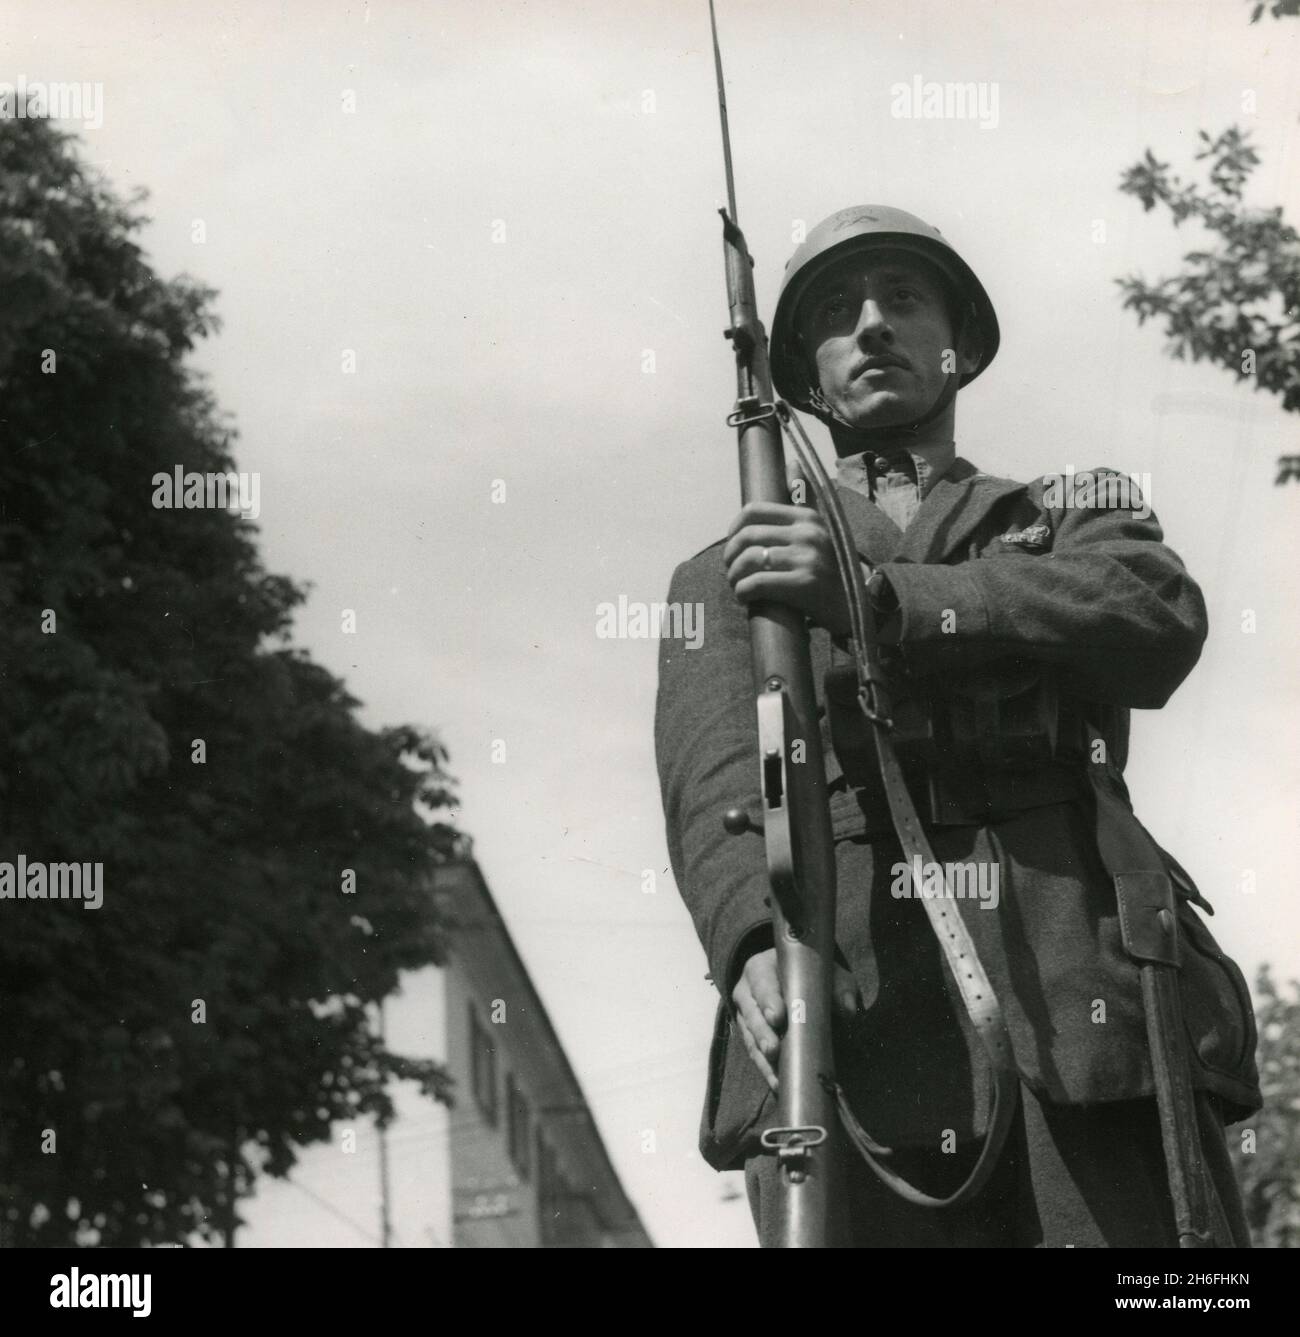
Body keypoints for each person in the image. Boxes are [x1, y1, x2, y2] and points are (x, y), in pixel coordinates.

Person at [654, 206, 1261, 1247]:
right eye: (837, 312)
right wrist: (751, 936)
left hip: (1081, 999)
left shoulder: (1069, 515)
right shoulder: (727, 576)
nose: (873, 325)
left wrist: (878, 597)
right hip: (851, 1003)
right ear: (803, 369)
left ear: (959, 346)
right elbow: (713, 781)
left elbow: (1154, 618)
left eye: (903, 298)